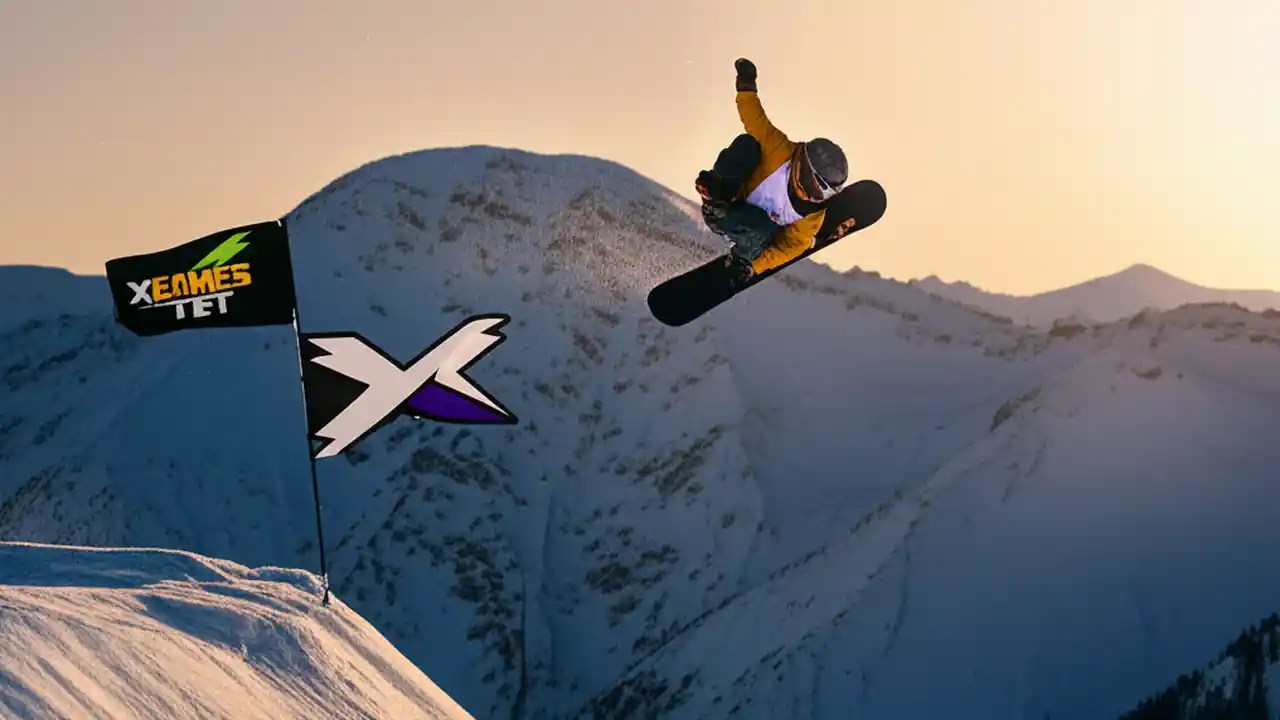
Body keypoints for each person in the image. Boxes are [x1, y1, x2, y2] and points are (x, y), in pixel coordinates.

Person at [696, 58, 850, 286]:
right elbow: (755, 120)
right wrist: (746, 85)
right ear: (805, 167)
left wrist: (754, 267)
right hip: (725, 204)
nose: (814, 196)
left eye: (823, 194)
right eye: (816, 186)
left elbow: (789, 248)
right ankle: (717, 192)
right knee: (748, 143)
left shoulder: (811, 215)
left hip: (753, 234)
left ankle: (741, 259)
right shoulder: (780, 150)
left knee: (764, 226)